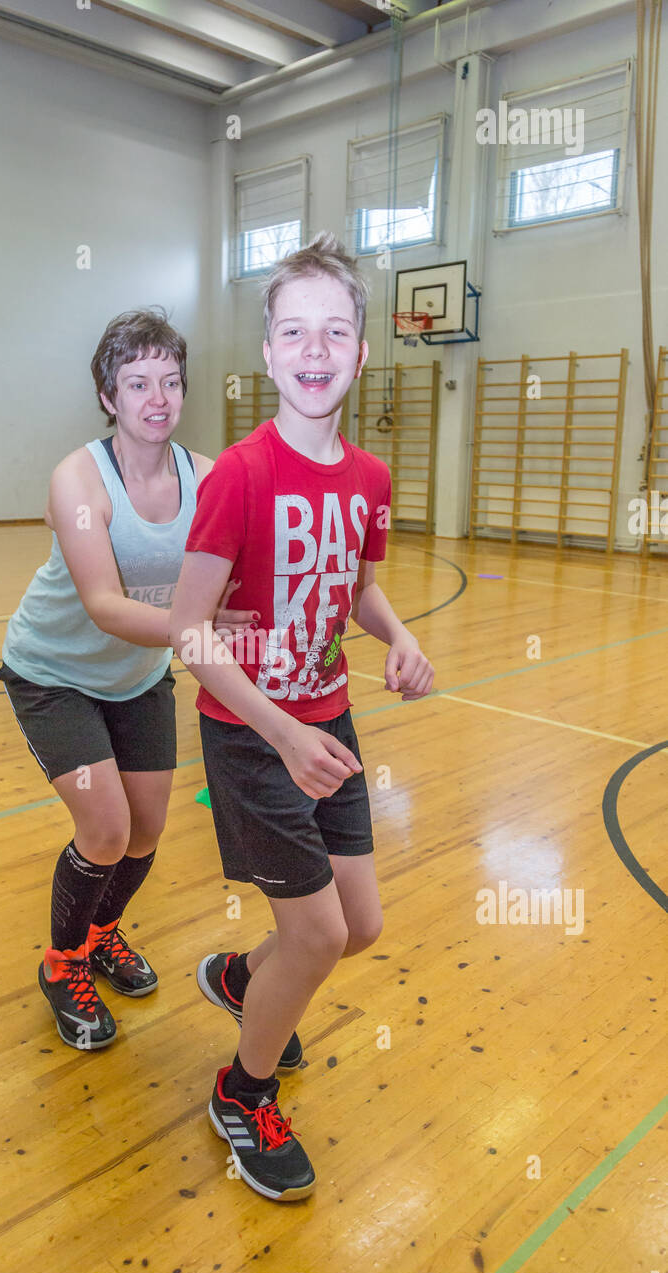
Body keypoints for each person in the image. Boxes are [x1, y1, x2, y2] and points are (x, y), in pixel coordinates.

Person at [169, 234, 435, 1201]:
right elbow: (187, 632)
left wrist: (398, 636)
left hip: (330, 723)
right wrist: (279, 730)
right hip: (251, 734)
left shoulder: (369, 481)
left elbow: (357, 589)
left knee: (356, 926)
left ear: (362, 352)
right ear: (270, 353)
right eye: (293, 331)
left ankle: (246, 979)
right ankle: (242, 1091)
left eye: (334, 331)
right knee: (317, 936)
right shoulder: (238, 475)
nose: (314, 349)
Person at [0, 309, 253, 1051]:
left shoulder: (205, 476)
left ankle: (102, 932)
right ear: (109, 395)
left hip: (138, 679)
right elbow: (107, 607)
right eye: (138, 382)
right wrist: (203, 629)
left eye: (170, 381)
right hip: (53, 674)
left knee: (145, 831)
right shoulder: (79, 478)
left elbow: (243, 563)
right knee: (104, 829)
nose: (158, 397)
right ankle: (61, 962)